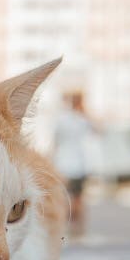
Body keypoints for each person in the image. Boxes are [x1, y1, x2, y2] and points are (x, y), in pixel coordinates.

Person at [53, 93, 95, 237]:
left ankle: (64, 226)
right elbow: (98, 131)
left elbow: (55, 141)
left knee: (64, 198)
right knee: (78, 198)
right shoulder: (82, 120)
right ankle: (78, 228)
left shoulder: (62, 120)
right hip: (79, 165)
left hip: (62, 165)